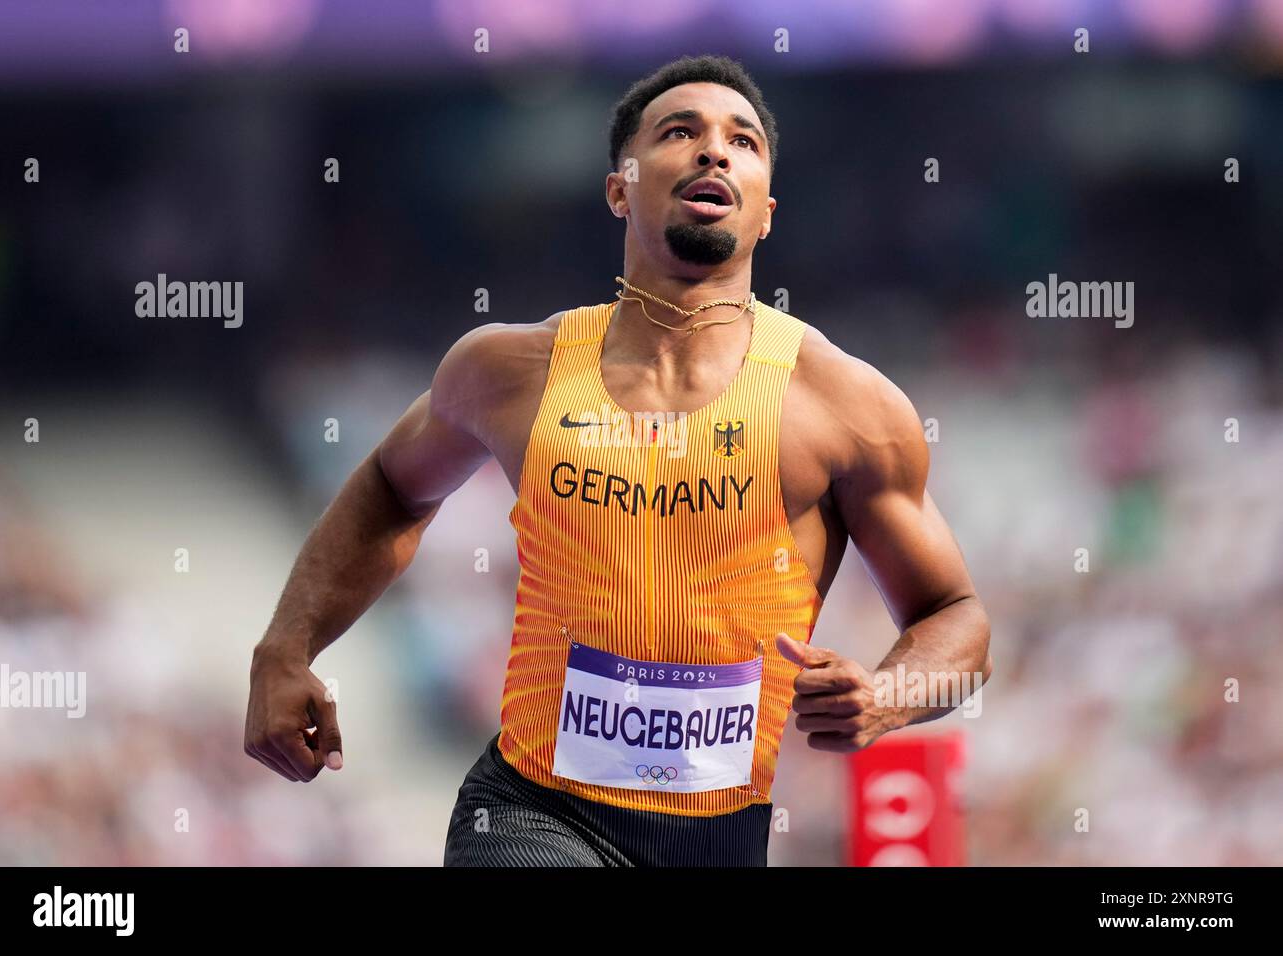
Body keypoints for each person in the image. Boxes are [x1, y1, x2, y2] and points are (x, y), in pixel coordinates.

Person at [244, 54, 992, 866]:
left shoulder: (845, 405)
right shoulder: (507, 372)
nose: (714, 151)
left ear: (766, 212)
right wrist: (284, 648)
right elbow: (391, 489)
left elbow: (958, 619)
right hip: (531, 814)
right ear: (619, 187)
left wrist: (888, 695)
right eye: (681, 132)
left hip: (721, 840)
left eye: (742, 142)